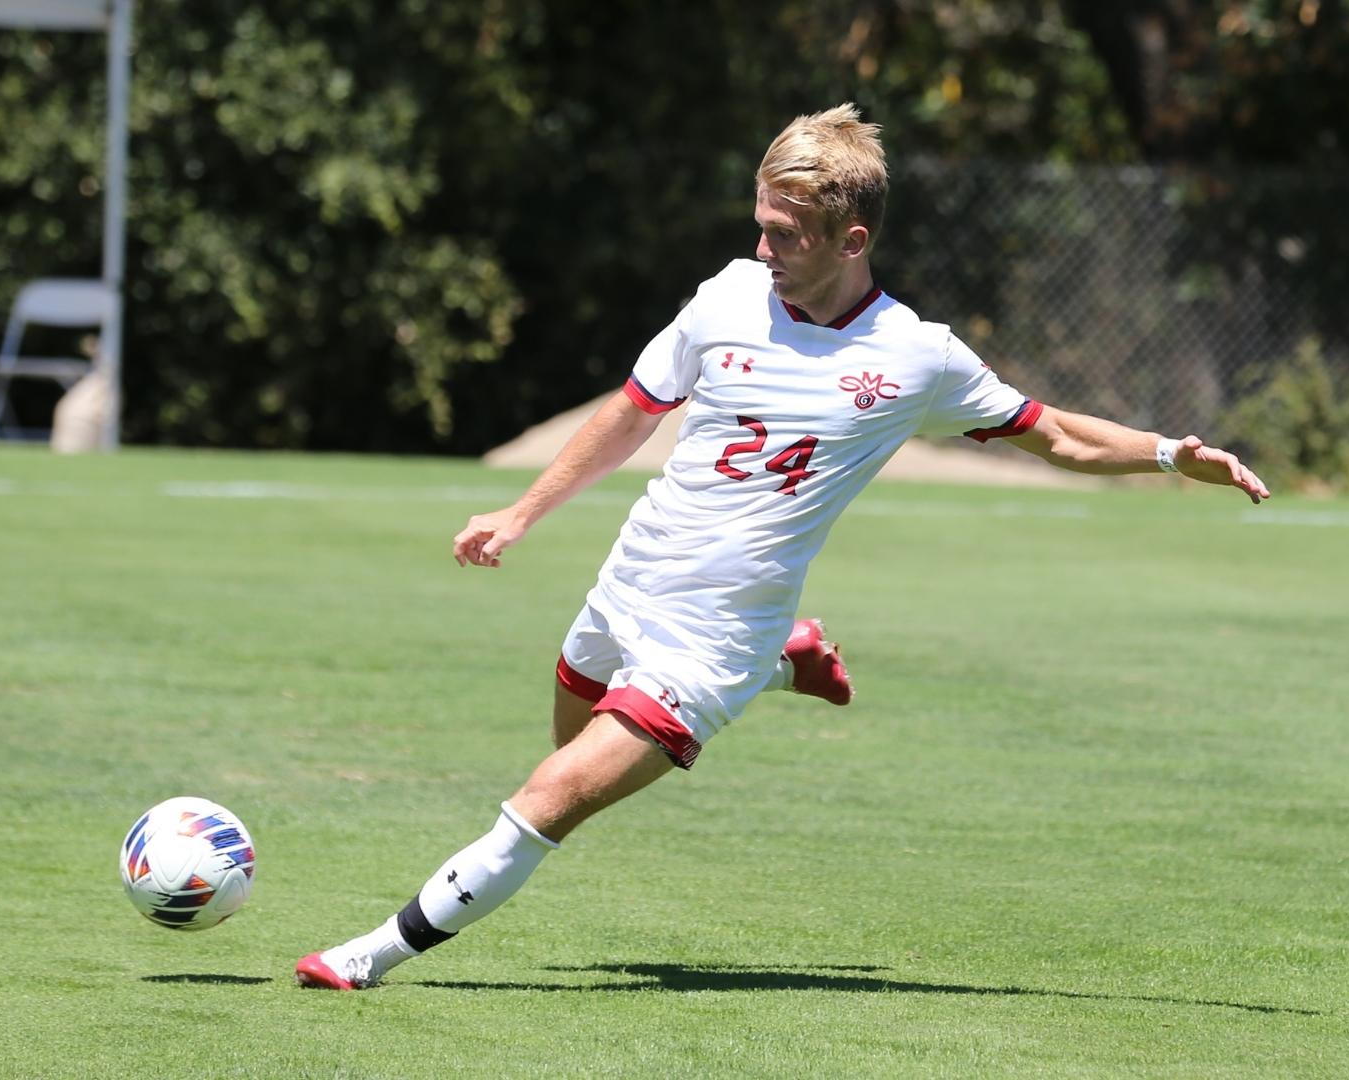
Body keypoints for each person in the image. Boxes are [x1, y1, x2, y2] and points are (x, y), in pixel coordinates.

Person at [295, 104, 1269, 990]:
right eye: (758, 222)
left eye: (784, 234)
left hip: (712, 639)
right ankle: (786, 661)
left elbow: (1055, 433)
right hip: (633, 572)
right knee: (568, 731)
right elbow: (632, 414)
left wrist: (1171, 456)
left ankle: (368, 957)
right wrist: (519, 516)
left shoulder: (915, 358)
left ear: (853, 240)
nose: (761, 247)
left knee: (553, 798)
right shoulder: (724, 297)